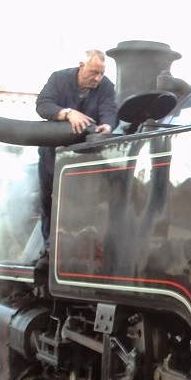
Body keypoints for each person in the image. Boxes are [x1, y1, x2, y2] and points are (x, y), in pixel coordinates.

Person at [35, 49, 119, 258]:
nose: (98, 78)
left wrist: (108, 125)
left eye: (101, 73)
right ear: (81, 65)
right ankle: (49, 246)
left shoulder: (106, 86)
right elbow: (43, 105)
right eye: (94, 73)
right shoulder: (59, 78)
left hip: (85, 154)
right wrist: (67, 113)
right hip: (53, 150)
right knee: (48, 199)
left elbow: (109, 110)